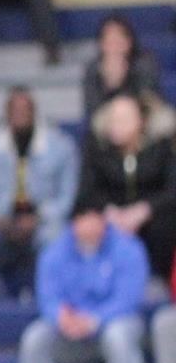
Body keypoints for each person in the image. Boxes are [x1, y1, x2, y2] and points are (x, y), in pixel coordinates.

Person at [17, 202, 147, 363]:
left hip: (112, 325)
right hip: (70, 333)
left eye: (92, 217)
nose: (87, 225)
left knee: (118, 335)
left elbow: (128, 299)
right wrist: (61, 317)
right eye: (81, 218)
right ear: (73, 223)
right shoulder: (55, 252)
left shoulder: (128, 248)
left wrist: (95, 319)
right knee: (35, 338)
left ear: (102, 221)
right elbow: (48, 297)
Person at [0, 87, 79, 300]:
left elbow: (67, 198)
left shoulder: (60, 147)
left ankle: (46, 301)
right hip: (3, 223)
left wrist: (39, 218)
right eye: (15, 110)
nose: (20, 115)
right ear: (6, 114)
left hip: (43, 222)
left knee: (54, 241)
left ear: (35, 112)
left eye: (25, 109)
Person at [75, 92, 176, 280]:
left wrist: (144, 210)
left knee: (166, 224)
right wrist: (110, 212)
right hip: (110, 218)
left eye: (124, 119)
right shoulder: (97, 150)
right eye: (113, 119)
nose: (116, 125)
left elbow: (171, 190)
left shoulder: (161, 149)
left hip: (151, 218)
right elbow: (87, 192)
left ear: (141, 121)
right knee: (86, 225)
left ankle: (160, 280)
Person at [82, 15, 161, 123]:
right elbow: (92, 108)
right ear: (101, 44)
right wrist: (111, 85)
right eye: (109, 40)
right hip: (108, 115)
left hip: (143, 113)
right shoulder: (93, 68)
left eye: (118, 39)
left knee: (164, 120)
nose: (114, 45)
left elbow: (148, 97)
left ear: (129, 41)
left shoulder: (144, 63)